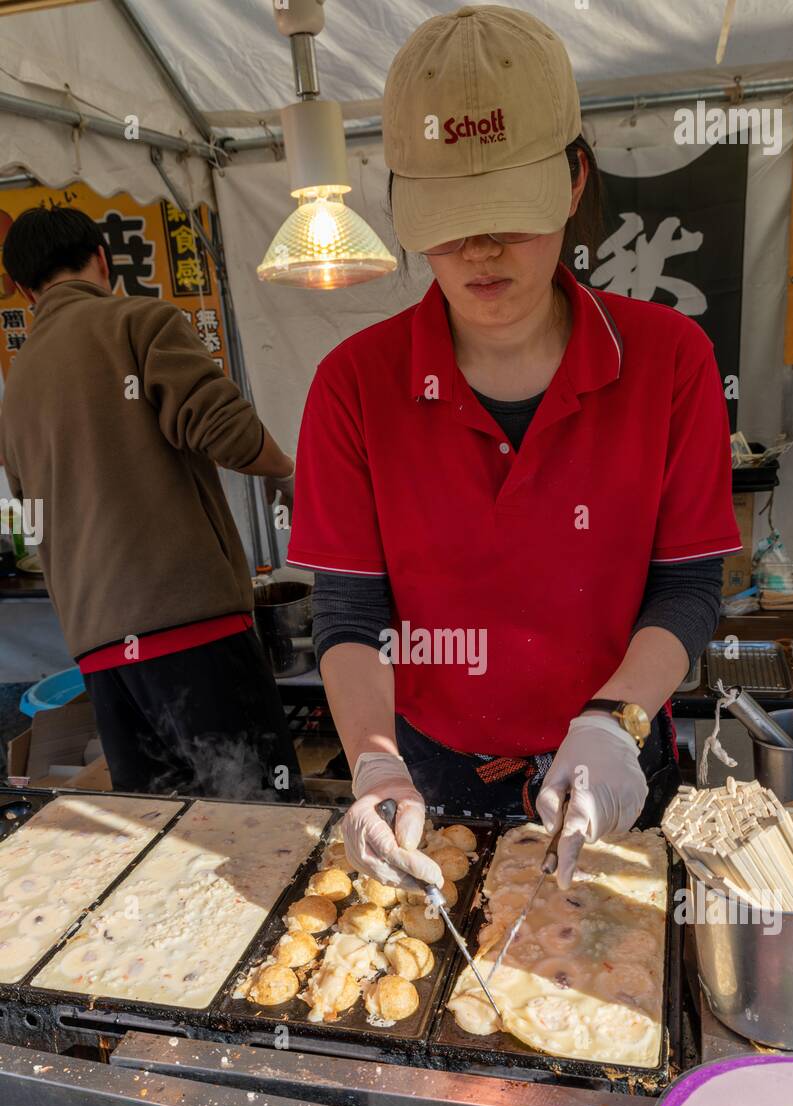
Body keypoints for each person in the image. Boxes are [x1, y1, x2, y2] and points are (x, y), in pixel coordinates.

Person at [288, 4, 741, 887]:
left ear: (574, 182)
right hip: (431, 775)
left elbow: (688, 586)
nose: (480, 248)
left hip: (618, 753)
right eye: (449, 218)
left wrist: (612, 722)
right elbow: (349, 614)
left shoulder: (668, 359)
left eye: (508, 212)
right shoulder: (354, 384)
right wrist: (374, 763)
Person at [0, 205, 303, 800]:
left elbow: (28, 506)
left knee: (163, 825)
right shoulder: (138, 322)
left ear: (22, 288)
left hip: (101, 654)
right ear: (102, 260)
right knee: (264, 816)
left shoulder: (18, 387)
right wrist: (287, 472)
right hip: (192, 629)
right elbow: (229, 432)